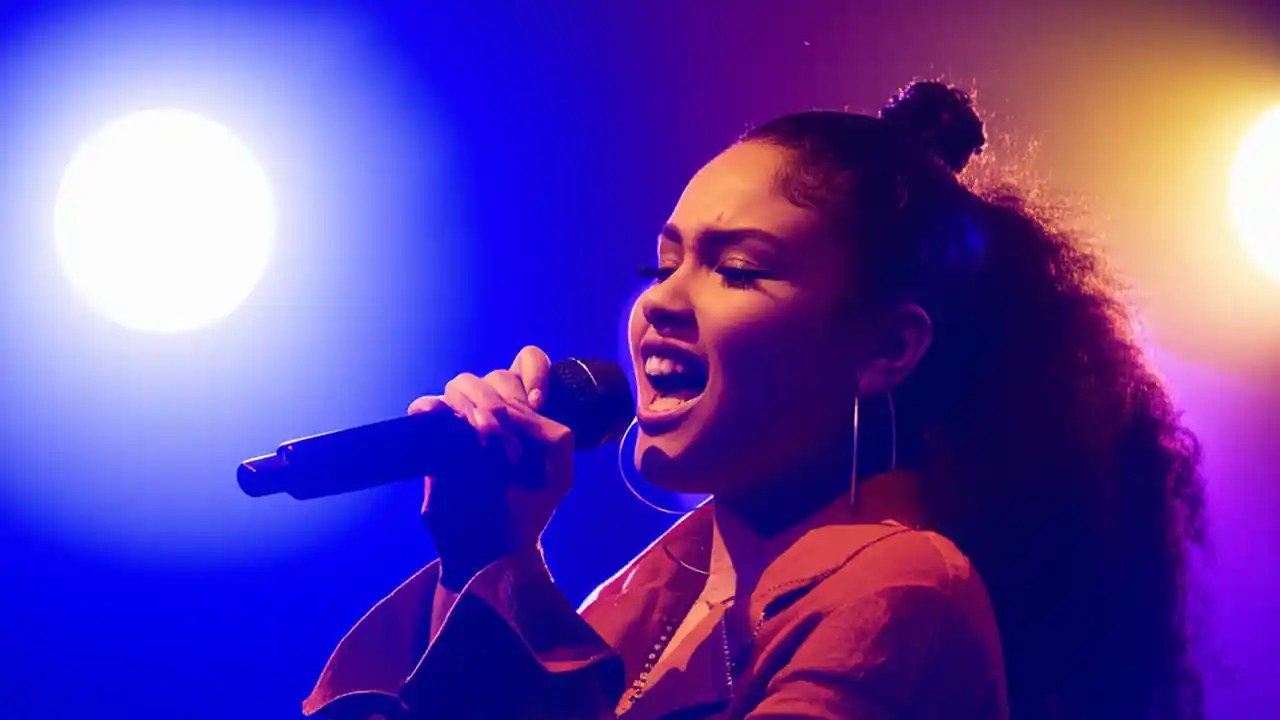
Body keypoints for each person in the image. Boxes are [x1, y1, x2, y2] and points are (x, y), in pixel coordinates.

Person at [301, 81, 1206, 720]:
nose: (658, 301)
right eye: (663, 264)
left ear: (886, 349)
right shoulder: (648, 602)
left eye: (735, 270)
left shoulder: (903, 593)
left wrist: (506, 576)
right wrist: (484, 559)